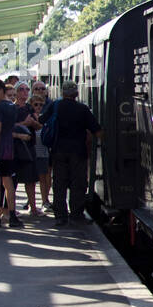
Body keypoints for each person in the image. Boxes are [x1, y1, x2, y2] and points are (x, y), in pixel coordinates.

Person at [44, 80, 101, 227]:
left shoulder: (55, 105)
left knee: (59, 183)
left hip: (58, 150)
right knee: (78, 183)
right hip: (78, 151)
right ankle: (76, 215)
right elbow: (97, 130)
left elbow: (42, 120)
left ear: (62, 92)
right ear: (76, 93)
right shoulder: (82, 109)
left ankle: (60, 216)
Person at [0, 78, 25, 228]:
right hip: (11, 147)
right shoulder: (12, 106)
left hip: (1, 148)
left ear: (0, 90)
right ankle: (12, 215)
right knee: (9, 183)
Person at [11, 82, 40, 213]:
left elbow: (39, 126)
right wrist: (25, 123)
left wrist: (33, 122)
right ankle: (11, 207)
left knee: (31, 179)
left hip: (29, 145)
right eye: (21, 89)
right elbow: (7, 126)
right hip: (15, 146)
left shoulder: (29, 108)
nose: (25, 92)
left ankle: (33, 207)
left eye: (27, 89)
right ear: (16, 92)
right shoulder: (12, 108)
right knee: (13, 179)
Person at [29, 84, 53, 212]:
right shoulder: (29, 117)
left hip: (43, 151)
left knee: (44, 176)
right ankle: (32, 204)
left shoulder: (46, 117)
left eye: (40, 105)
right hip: (32, 151)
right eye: (35, 105)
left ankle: (45, 201)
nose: (38, 107)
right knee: (32, 179)